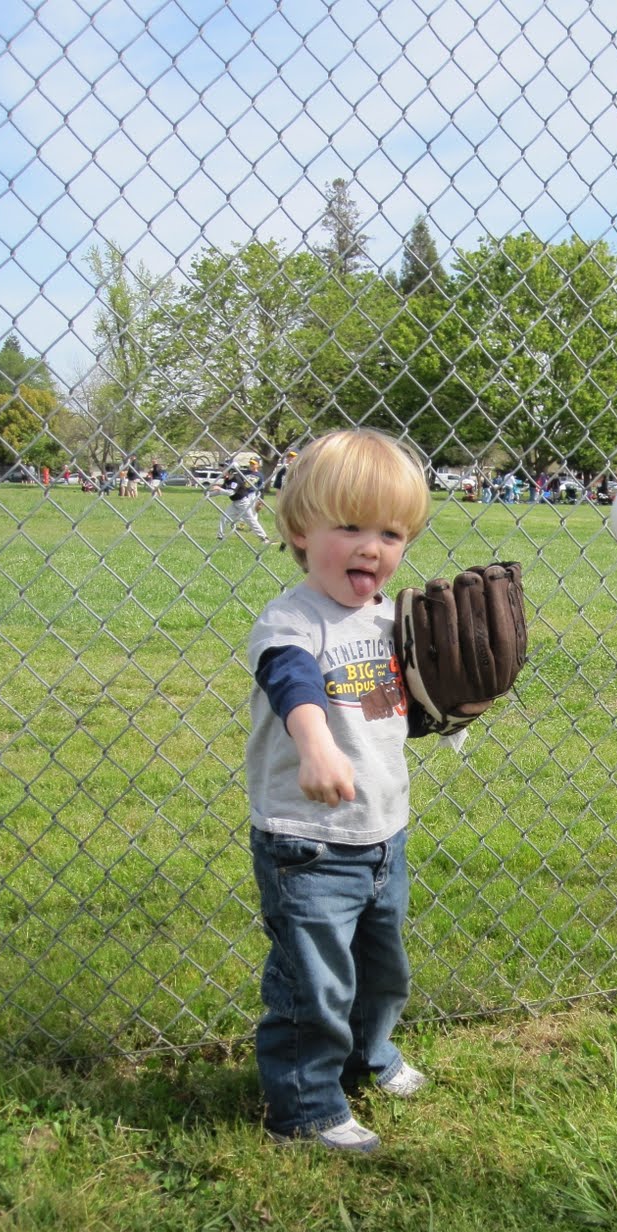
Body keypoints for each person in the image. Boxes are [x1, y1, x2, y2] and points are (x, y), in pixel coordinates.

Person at [246, 429, 435, 1153]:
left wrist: (450, 709)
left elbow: (398, 710)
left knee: (381, 970)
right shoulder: (292, 620)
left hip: (384, 832)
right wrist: (315, 743)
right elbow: (293, 681)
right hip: (308, 840)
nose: (371, 547)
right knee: (313, 983)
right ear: (299, 530)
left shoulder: (392, 620)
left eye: (391, 532)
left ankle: (369, 1056)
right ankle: (305, 1107)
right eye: (349, 526)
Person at [215, 456, 268, 542]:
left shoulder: (238, 478)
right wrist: (209, 494)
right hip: (236, 501)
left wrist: (261, 500)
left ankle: (264, 537)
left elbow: (230, 492)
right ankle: (220, 536)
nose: (223, 469)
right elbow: (224, 489)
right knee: (224, 517)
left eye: (226, 467)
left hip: (245, 500)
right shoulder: (238, 475)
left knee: (251, 520)